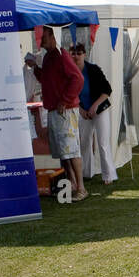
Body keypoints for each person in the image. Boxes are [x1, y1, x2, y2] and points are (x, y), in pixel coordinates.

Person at [32, 26, 86, 201]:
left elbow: (78, 79)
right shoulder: (49, 57)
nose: (41, 41)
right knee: (62, 151)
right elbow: (47, 80)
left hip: (65, 110)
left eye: (44, 38)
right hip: (55, 109)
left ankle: (81, 188)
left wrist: (64, 100)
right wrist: (35, 68)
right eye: (40, 38)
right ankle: (72, 184)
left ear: (53, 36)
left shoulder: (61, 56)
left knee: (71, 149)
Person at [72, 43, 117, 186]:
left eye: (79, 53)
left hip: (100, 108)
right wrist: (81, 110)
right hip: (83, 110)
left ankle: (108, 174)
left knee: (103, 142)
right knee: (84, 142)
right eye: (73, 53)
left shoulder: (93, 69)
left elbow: (107, 90)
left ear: (84, 54)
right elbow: (70, 95)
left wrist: (94, 107)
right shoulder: (69, 72)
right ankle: (86, 172)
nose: (76, 56)